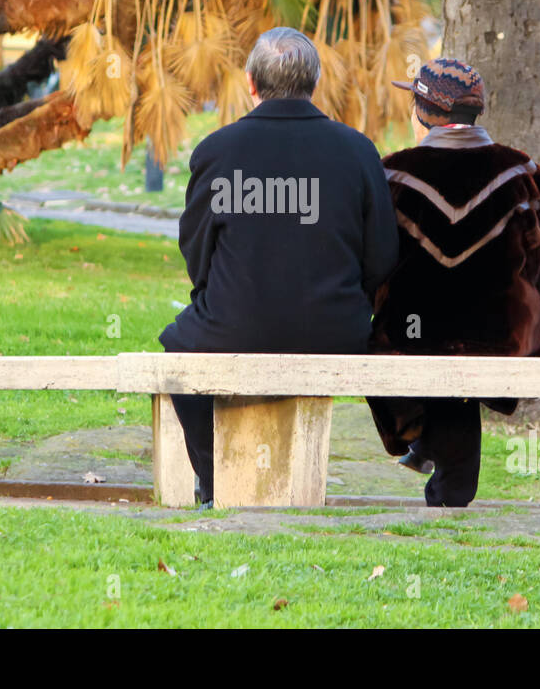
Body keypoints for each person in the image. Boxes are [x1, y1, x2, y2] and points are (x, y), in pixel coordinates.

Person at [159, 27, 399, 507]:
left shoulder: (218, 150)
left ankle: (213, 478)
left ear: (251, 83)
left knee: (176, 352)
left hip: (233, 326)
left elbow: (196, 249)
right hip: (337, 331)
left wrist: (220, 293)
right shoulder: (357, 150)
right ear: (315, 82)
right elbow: (382, 256)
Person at [366, 58, 540, 507]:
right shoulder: (522, 172)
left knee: (394, 338)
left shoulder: (392, 174)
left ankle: (419, 439)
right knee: (463, 344)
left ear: (425, 110)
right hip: (502, 335)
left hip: (408, 334)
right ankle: (441, 468)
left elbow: (370, 264)